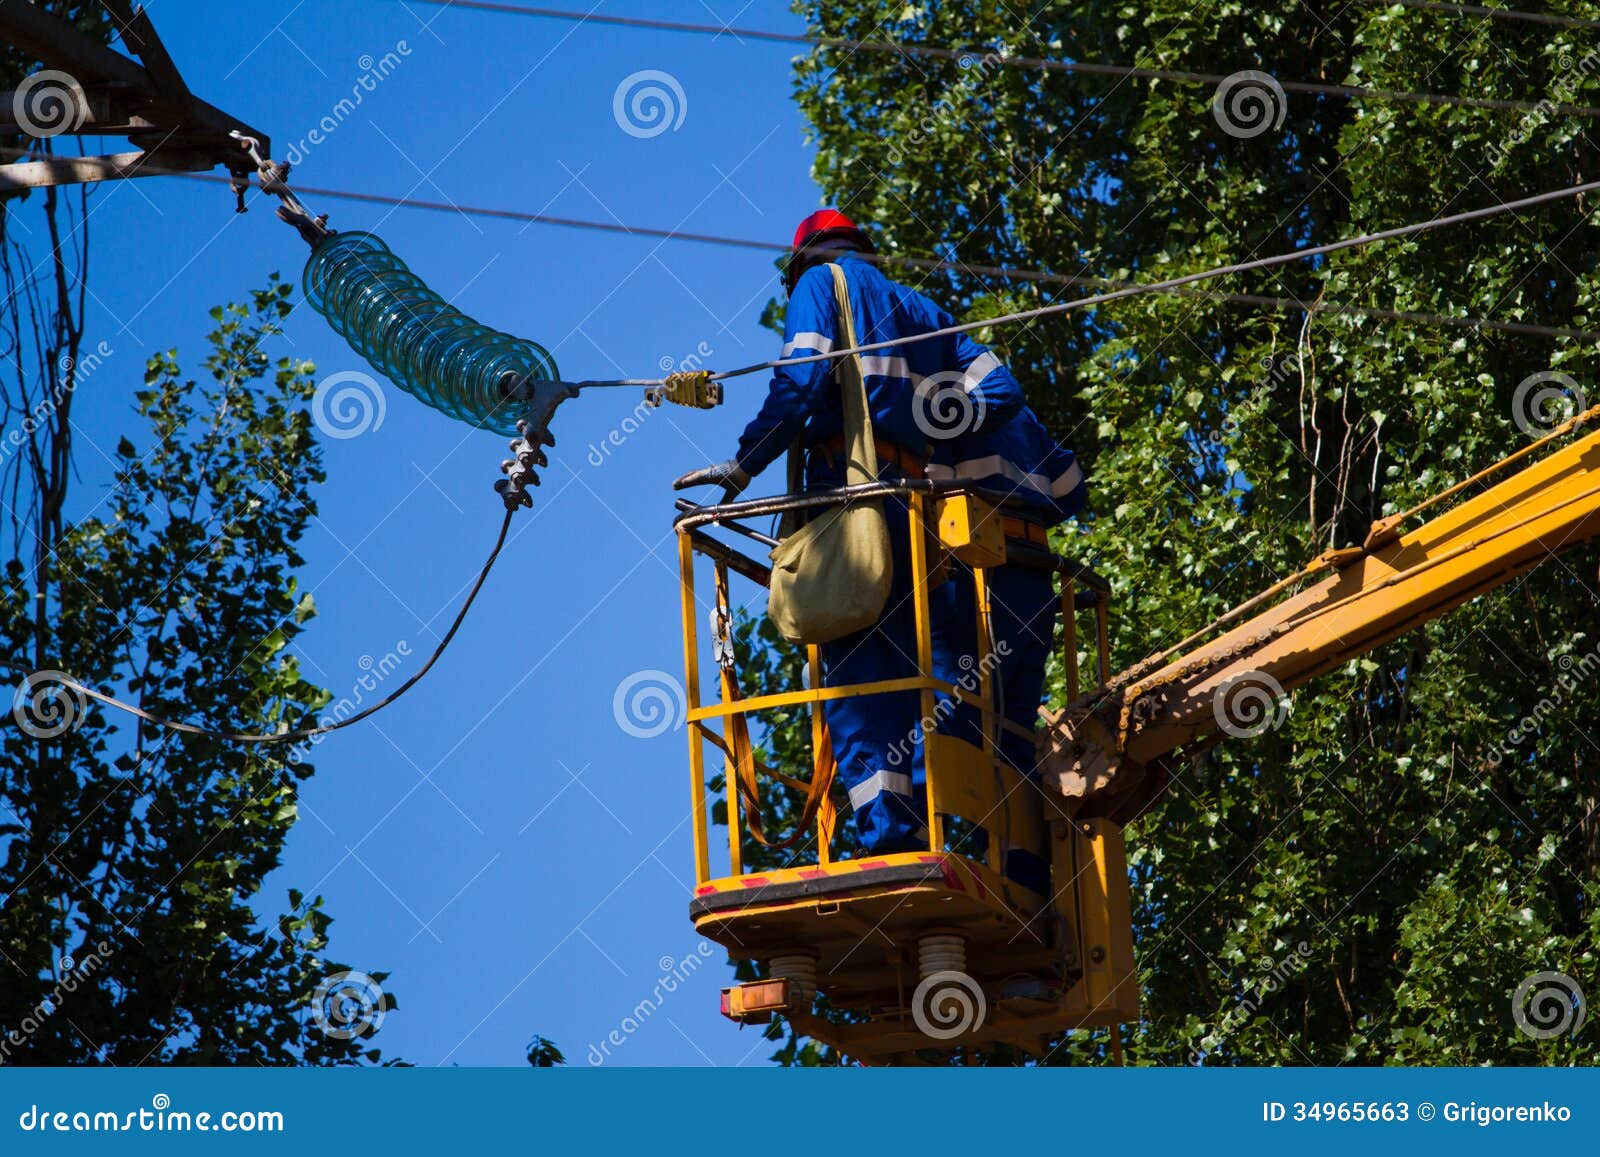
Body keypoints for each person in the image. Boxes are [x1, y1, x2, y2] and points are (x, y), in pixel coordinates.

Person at [673, 209, 1023, 853]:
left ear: (802, 257)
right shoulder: (924, 307)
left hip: (847, 500)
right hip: (921, 509)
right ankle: (949, 821)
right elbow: (1001, 391)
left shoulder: (819, 283)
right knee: (937, 668)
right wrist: (929, 428)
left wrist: (744, 463)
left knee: (858, 676)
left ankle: (889, 836)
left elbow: (799, 383)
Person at [927, 404, 1087, 888]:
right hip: (1033, 578)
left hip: (977, 576)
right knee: (1013, 726)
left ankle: (920, 845)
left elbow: (922, 492)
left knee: (954, 714)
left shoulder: (942, 412)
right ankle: (1020, 867)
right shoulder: (1023, 415)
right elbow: (1071, 489)